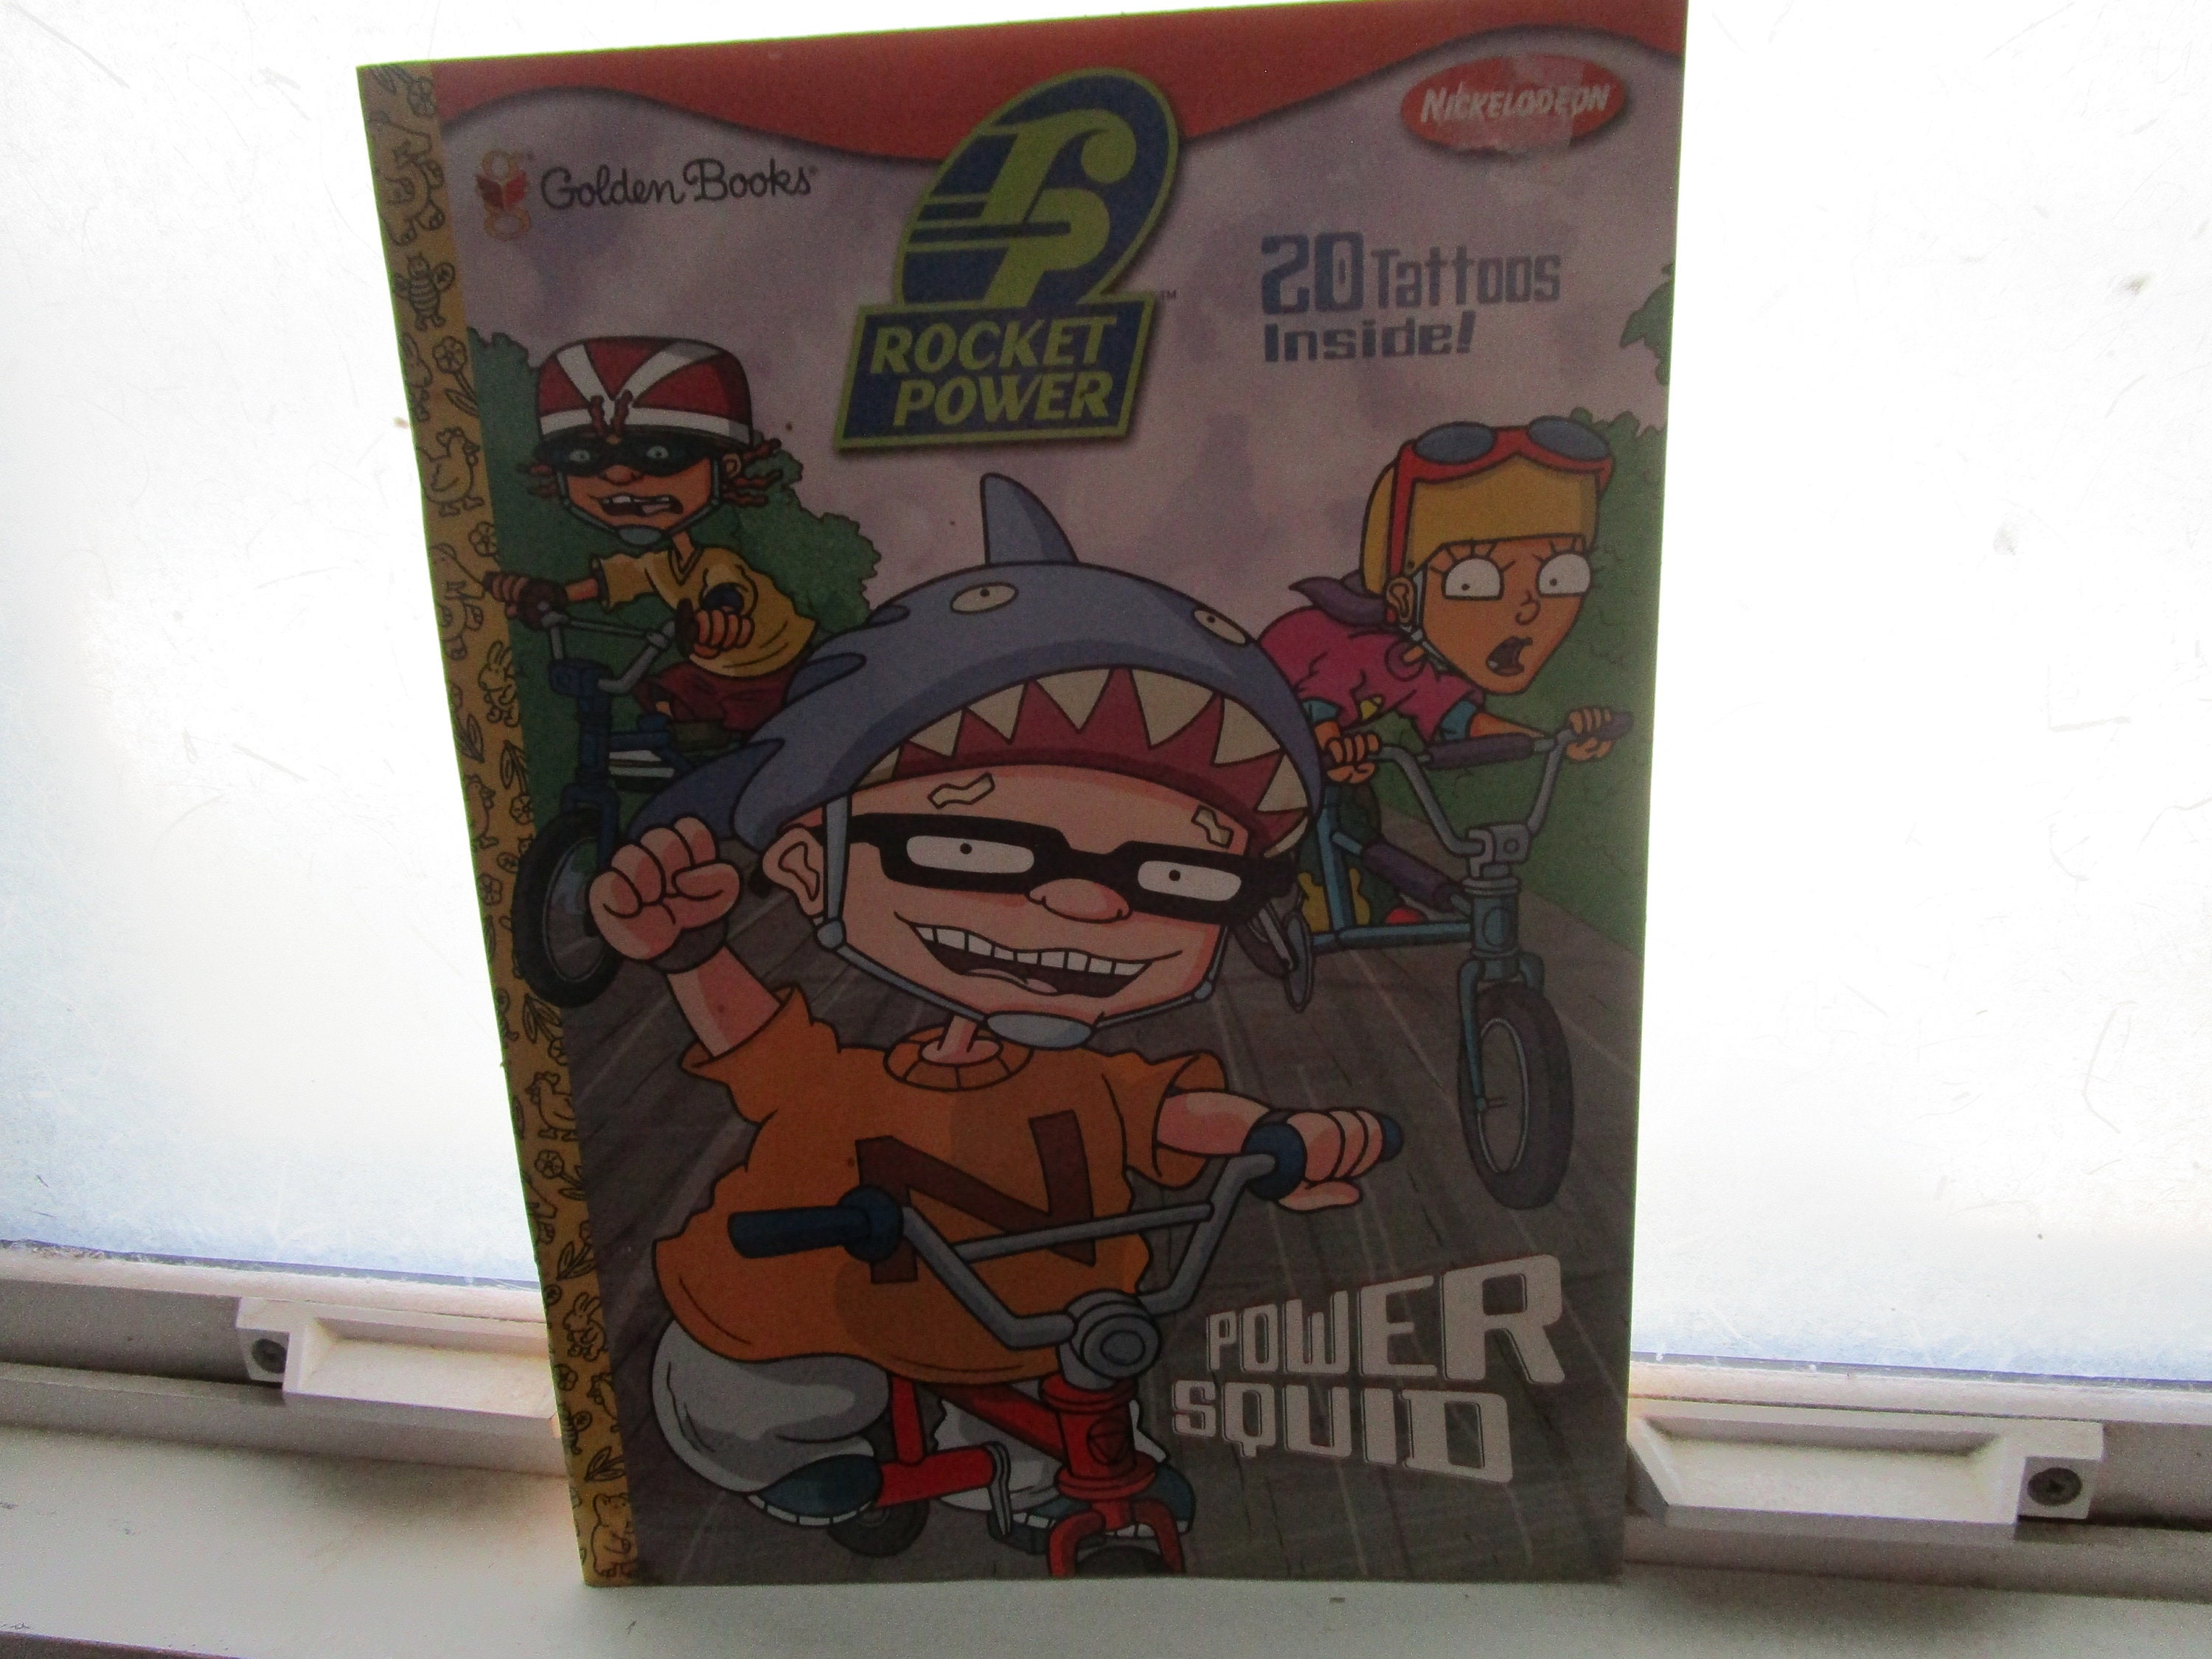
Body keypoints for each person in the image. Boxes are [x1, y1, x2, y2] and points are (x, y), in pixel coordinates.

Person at [588, 475, 1388, 1548]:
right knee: (753, 1392)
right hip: (820, 1319)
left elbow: (1174, 1115)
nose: (1089, 904)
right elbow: (760, 1043)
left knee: (1077, 1426)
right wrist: (690, 951)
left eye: (1176, 875)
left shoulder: (1087, 1081)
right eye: (972, 846)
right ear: (809, 865)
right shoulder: (847, 1088)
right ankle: (792, 1465)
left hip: (1035, 1339)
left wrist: (1281, 1140)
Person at [1259, 419, 1623, 922]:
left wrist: (1553, 741)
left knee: (1354, 810)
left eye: (1560, 575)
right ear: (1405, 595)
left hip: (1319, 741)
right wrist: (1331, 741)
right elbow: (1315, 704)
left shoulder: (1415, 660)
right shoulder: (1351, 643)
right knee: (1322, 812)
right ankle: (1309, 907)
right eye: (1476, 581)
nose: (1528, 608)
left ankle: (1374, 906)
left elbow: (1461, 722)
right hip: (1261, 729)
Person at [484, 335, 813, 736]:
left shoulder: (717, 562)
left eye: (658, 454)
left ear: (726, 467)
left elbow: (728, 591)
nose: (619, 475)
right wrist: (553, 595)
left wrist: (720, 619)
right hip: (711, 670)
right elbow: (617, 579)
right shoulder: (663, 564)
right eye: (583, 457)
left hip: (775, 671)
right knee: (655, 701)